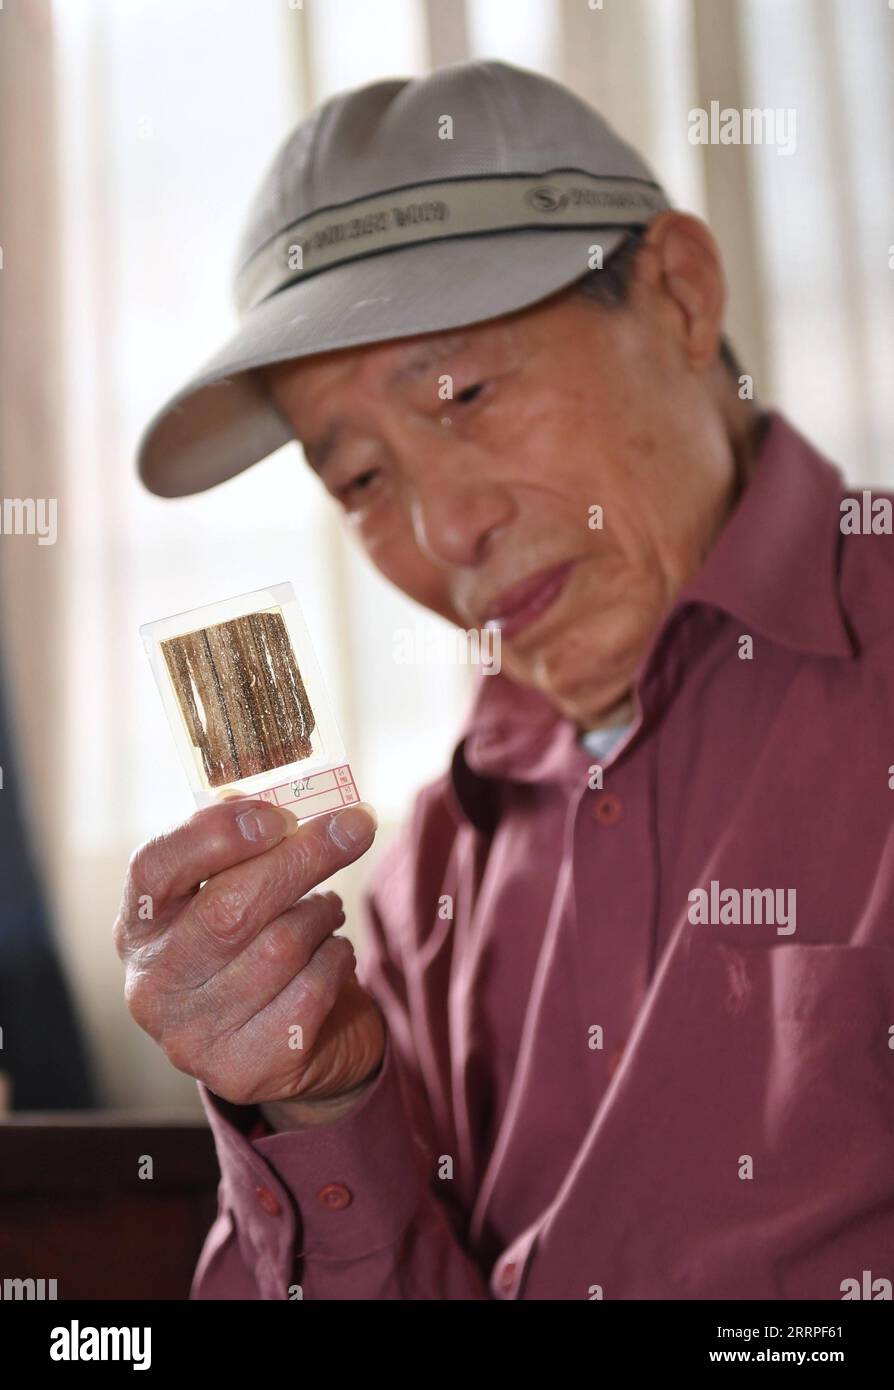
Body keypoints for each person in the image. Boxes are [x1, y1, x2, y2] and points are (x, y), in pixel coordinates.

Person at [117, 60, 894, 1300]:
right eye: (362, 481)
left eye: (464, 392)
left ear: (683, 297)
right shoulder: (427, 868)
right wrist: (329, 1103)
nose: (444, 533)